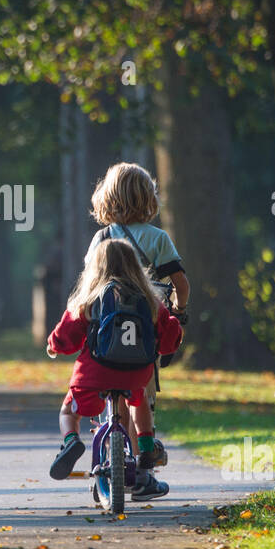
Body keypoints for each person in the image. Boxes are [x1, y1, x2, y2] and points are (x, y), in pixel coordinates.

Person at [46, 238, 184, 500]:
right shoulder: (151, 302)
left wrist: (53, 346)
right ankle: (144, 446)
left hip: (95, 374)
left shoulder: (88, 300)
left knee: (68, 410)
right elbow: (168, 339)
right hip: (136, 372)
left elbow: (66, 337)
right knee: (138, 397)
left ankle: (70, 441)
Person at [83, 162, 190, 492]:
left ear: (108, 197)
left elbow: (90, 282)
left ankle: (113, 457)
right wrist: (179, 311)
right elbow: (181, 284)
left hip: (107, 327)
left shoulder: (102, 237)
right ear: (148, 198)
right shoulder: (158, 238)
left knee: (111, 388)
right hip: (145, 330)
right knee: (141, 395)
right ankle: (143, 474)